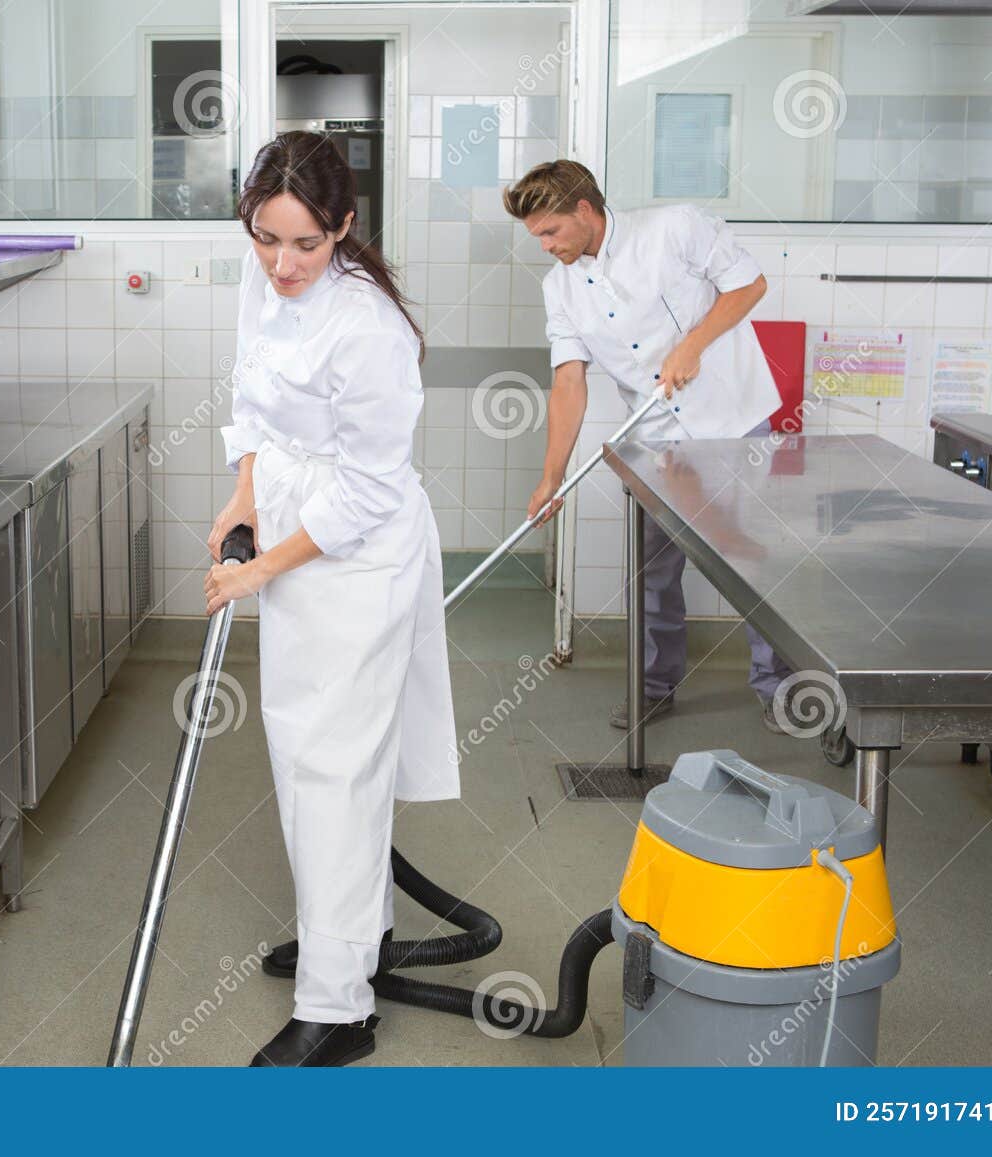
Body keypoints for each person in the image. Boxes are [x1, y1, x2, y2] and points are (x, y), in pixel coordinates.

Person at [204, 132, 459, 1067]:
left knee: (337, 771)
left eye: (305, 244)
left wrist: (258, 569)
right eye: (266, 238)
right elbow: (253, 397)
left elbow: (364, 493)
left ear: (345, 227)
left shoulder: (370, 330)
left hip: (356, 558)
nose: (282, 264)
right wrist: (243, 495)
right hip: (287, 526)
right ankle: (354, 938)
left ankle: (338, 1006)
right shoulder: (262, 275)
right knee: (309, 753)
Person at [504, 159, 793, 733]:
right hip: (657, 440)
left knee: (753, 560)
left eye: (550, 231)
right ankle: (654, 687)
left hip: (733, 425)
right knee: (654, 572)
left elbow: (750, 284)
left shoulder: (675, 229)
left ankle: (780, 688)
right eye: (536, 235)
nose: (543, 245)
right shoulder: (559, 287)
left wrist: (694, 344)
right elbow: (568, 381)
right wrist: (550, 476)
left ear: (584, 210)